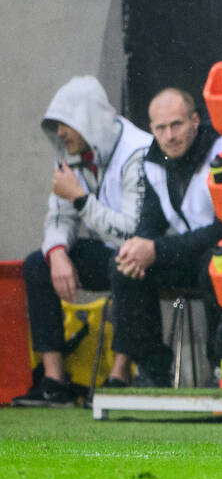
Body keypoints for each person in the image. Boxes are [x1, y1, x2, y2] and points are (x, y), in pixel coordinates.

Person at [13, 76, 151, 406]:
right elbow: (59, 218)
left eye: (66, 124)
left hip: (145, 254)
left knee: (126, 262)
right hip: (107, 250)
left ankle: (120, 375)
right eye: (56, 125)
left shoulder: (139, 151)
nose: (59, 133)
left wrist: (80, 200)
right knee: (38, 263)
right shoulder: (71, 154)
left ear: (87, 119)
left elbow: (133, 231)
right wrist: (58, 252)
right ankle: (54, 380)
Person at [110, 87, 222, 385]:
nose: (169, 136)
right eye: (161, 128)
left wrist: (157, 248)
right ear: (151, 130)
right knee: (124, 265)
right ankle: (152, 369)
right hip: (185, 255)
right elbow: (150, 224)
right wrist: (139, 247)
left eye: (177, 125)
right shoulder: (152, 161)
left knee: (215, 264)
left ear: (195, 120)